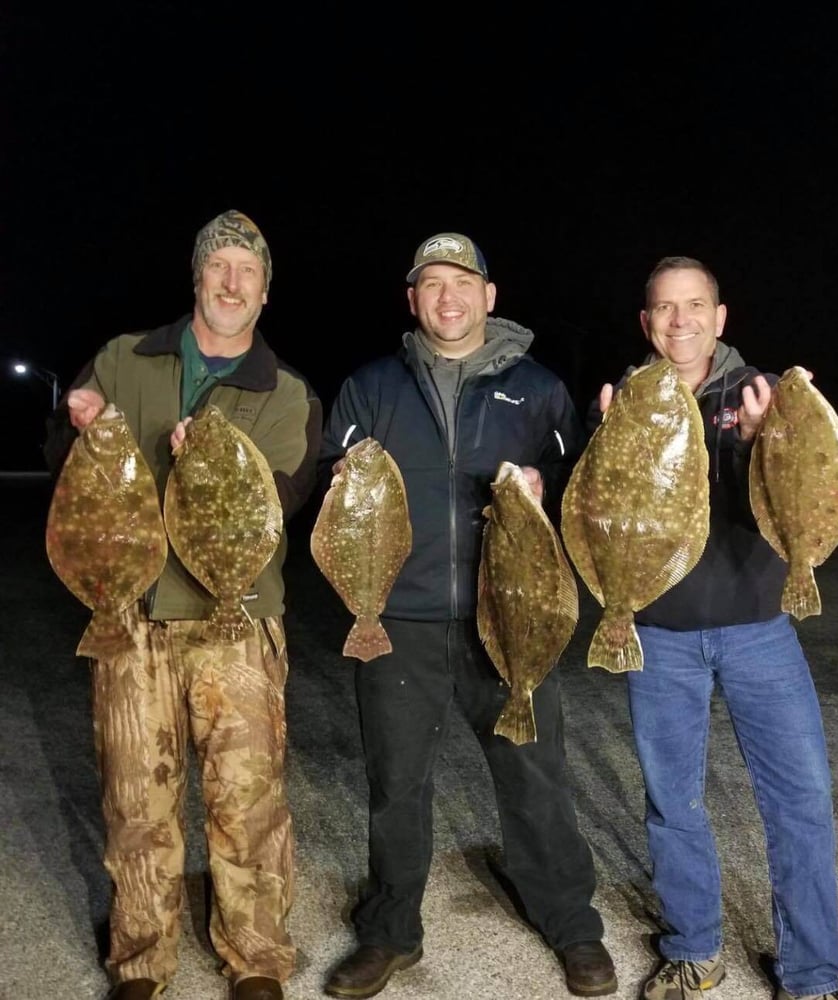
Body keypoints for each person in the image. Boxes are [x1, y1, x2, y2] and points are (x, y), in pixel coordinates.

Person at [318, 232, 617, 998]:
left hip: (511, 612)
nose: (446, 297)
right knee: (396, 783)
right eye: (430, 284)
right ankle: (389, 930)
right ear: (411, 300)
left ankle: (569, 922)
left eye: (461, 282)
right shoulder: (370, 387)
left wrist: (547, 485)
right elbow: (329, 485)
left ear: (488, 296)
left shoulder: (540, 388)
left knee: (535, 775)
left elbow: (579, 482)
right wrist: (340, 481)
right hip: (399, 619)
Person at [44, 210, 323, 1000]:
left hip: (239, 617)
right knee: (136, 800)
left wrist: (206, 465)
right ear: (197, 277)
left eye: (247, 271)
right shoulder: (123, 358)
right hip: (129, 613)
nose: (232, 283)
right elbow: (64, 466)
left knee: (248, 803)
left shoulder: (289, 392)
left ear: (265, 292)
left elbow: (280, 499)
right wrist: (74, 428)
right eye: (219, 266)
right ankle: (141, 958)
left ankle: (256, 957)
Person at [589, 256, 838, 1000]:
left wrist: (765, 441)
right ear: (646, 321)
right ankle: (693, 950)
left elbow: (808, 493)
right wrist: (606, 448)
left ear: (720, 316)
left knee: (800, 800)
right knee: (672, 802)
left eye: (695, 305)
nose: (680, 320)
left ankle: (812, 975)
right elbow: (600, 518)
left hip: (759, 628)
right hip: (660, 634)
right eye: (664, 308)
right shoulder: (622, 403)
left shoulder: (764, 394)